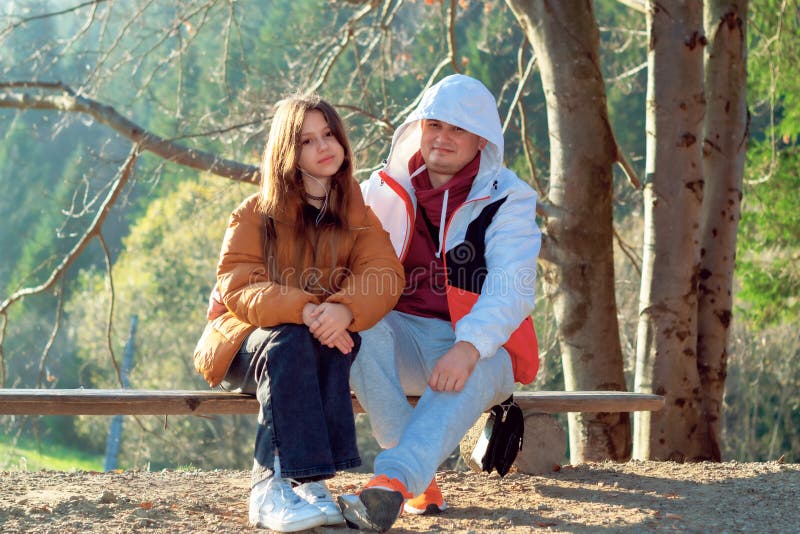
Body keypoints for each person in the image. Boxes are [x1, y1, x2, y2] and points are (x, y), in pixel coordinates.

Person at [338, 74, 542, 532]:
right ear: (419, 127)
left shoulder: (508, 198)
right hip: (405, 335)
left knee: (480, 368)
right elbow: (345, 266)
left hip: (483, 345)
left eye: (458, 129)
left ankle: (393, 479)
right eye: (435, 125)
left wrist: (468, 347)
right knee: (353, 330)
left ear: (480, 141)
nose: (443, 138)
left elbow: (512, 286)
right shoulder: (383, 191)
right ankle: (417, 478)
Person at [192, 94, 403, 533]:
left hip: (307, 344)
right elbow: (238, 283)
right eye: (307, 140)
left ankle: (310, 486)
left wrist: (343, 310)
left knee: (330, 340)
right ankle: (267, 490)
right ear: (288, 151)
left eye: (328, 134)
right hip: (242, 343)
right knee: (293, 341)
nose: (323, 146)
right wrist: (305, 309)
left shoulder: (355, 214)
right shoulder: (255, 213)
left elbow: (384, 273)